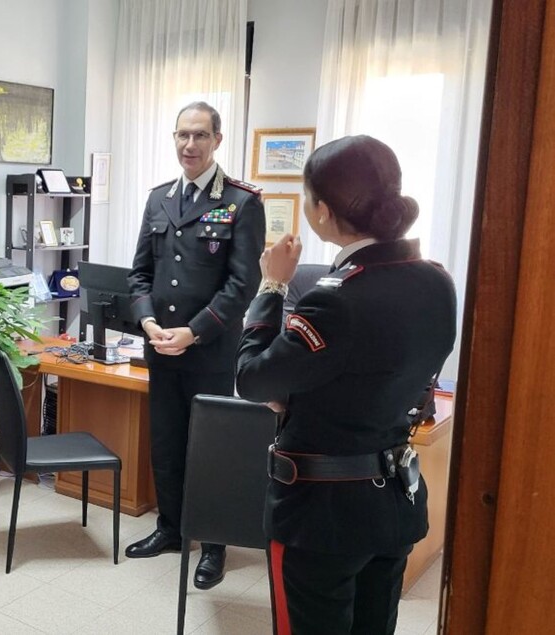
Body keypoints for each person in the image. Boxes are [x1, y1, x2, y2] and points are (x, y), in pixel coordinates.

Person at [235, 135, 456, 634]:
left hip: (323, 513)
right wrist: (297, 393)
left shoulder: (337, 298)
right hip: (394, 500)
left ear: (323, 211)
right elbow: (389, 376)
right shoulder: (436, 280)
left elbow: (250, 379)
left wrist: (272, 284)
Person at [125, 102, 266, 590]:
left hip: (209, 352)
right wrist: (147, 321)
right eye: (182, 135)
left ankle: (214, 545)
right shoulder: (159, 198)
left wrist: (194, 331)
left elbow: (242, 285)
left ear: (217, 140)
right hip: (160, 347)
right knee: (166, 444)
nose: (190, 145)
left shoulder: (242, 202)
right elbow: (139, 274)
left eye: (200, 135)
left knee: (210, 450)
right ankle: (170, 528)